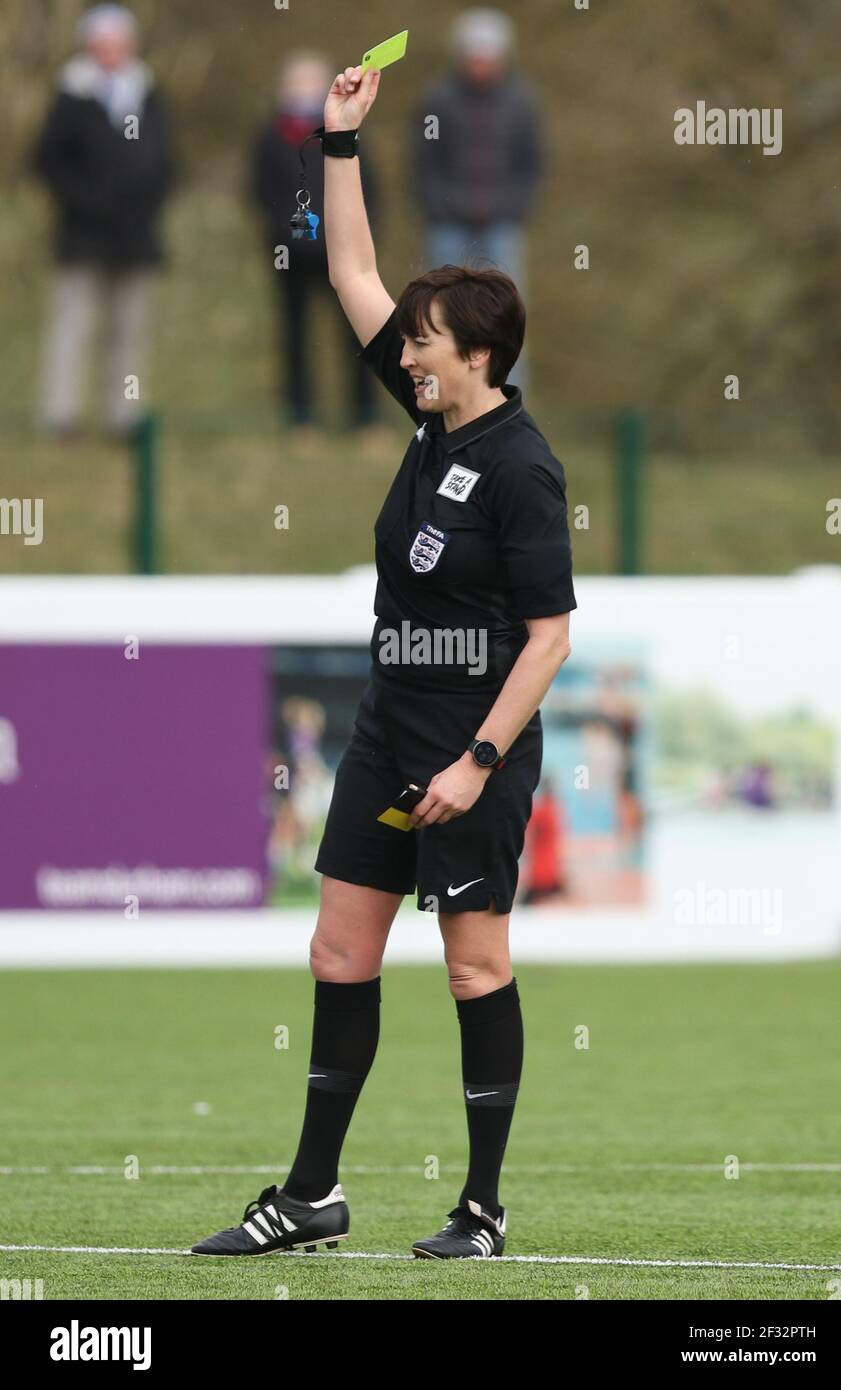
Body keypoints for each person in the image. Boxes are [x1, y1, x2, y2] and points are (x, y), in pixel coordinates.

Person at [191, 60, 575, 1263]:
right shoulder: (427, 418)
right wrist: (336, 140)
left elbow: (551, 635)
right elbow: (351, 269)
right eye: (408, 341)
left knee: (473, 968)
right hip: (385, 731)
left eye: (426, 341)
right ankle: (310, 1195)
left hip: (472, 746)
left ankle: (481, 1208)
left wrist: (475, 759)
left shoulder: (521, 466)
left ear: (479, 355)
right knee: (337, 948)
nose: (406, 351)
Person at [30, 4, 174, 439]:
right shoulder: (71, 94)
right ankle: (62, 414)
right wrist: (86, 202)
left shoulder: (147, 92)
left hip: (135, 234)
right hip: (83, 234)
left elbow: (165, 161)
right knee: (73, 323)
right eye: (102, 43)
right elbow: (48, 161)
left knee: (129, 329)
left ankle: (122, 416)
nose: (110, 51)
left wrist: (145, 203)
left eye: (118, 43)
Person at [250, 51, 385, 445]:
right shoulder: (271, 135)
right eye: (297, 84)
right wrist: (289, 231)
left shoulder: (345, 129)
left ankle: (365, 418)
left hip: (342, 253)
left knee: (358, 334)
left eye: (311, 83)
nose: (303, 92)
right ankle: (301, 418)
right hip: (292, 254)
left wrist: (358, 236)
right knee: (296, 335)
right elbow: (261, 192)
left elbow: (369, 189)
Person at [409, 8, 544, 393]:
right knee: (442, 316)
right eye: (474, 55)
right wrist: (440, 208)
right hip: (448, 227)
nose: (481, 64)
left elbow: (532, 163)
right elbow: (422, 164)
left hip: (502, 226)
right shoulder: (437, 99)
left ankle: (503, 399)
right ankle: (445, 394)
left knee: (506, 316)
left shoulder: (521, 102)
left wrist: (513, 208)